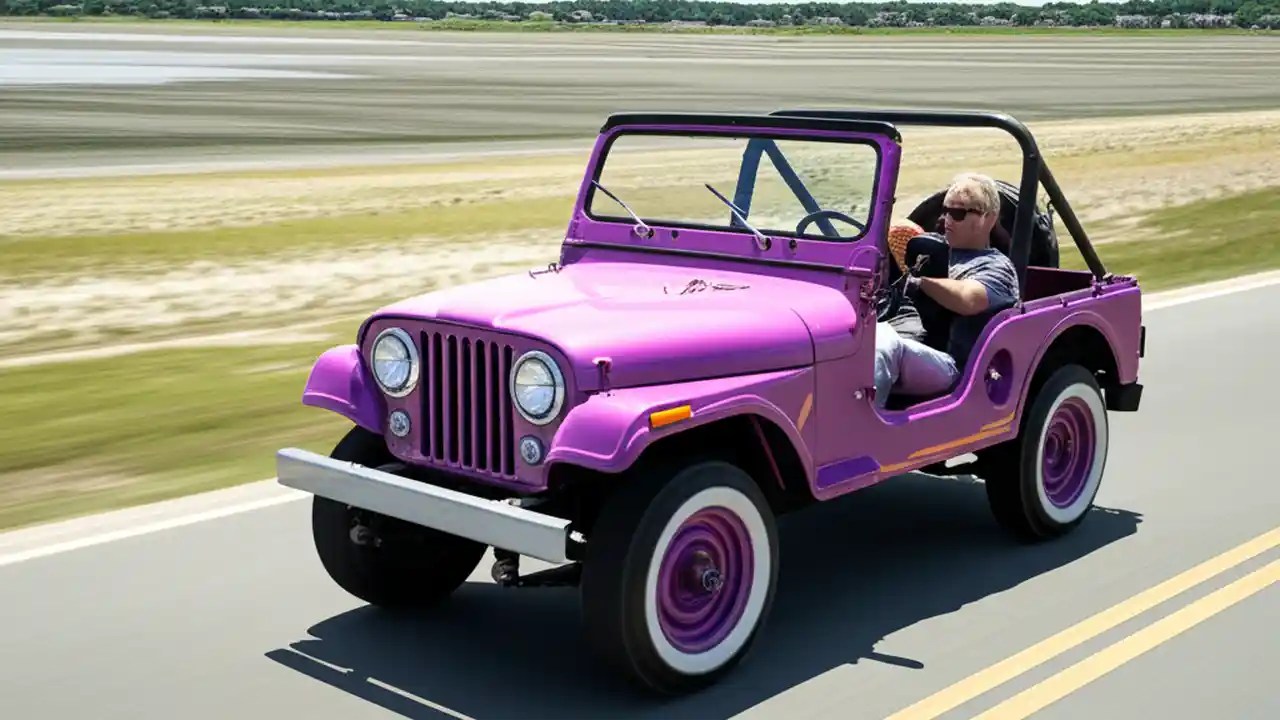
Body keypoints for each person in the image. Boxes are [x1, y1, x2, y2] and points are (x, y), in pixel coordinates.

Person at [873, 172, 1020, 407]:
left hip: (956, 368)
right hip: (910, 339)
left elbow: (969, 298)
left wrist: (918, 282)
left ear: (989, 219)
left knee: (881, 344)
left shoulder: (995, 265)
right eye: (946, 211)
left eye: (958, 213)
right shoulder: (930, 250)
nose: (947, 219)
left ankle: (860, 424)